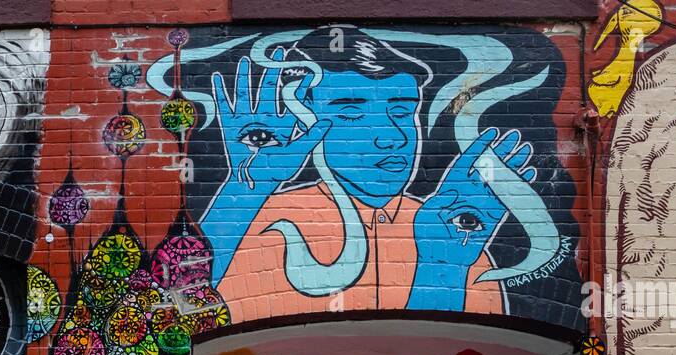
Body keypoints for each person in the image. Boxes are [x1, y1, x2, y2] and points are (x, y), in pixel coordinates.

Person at [203, 29, 535, 319]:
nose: (392, 136)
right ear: (305, 118)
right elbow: (180, 316)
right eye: (351, 112)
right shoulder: (260, 225)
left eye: (402, 111)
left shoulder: (452, 235)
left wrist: (442, 269)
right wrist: (243, 191)